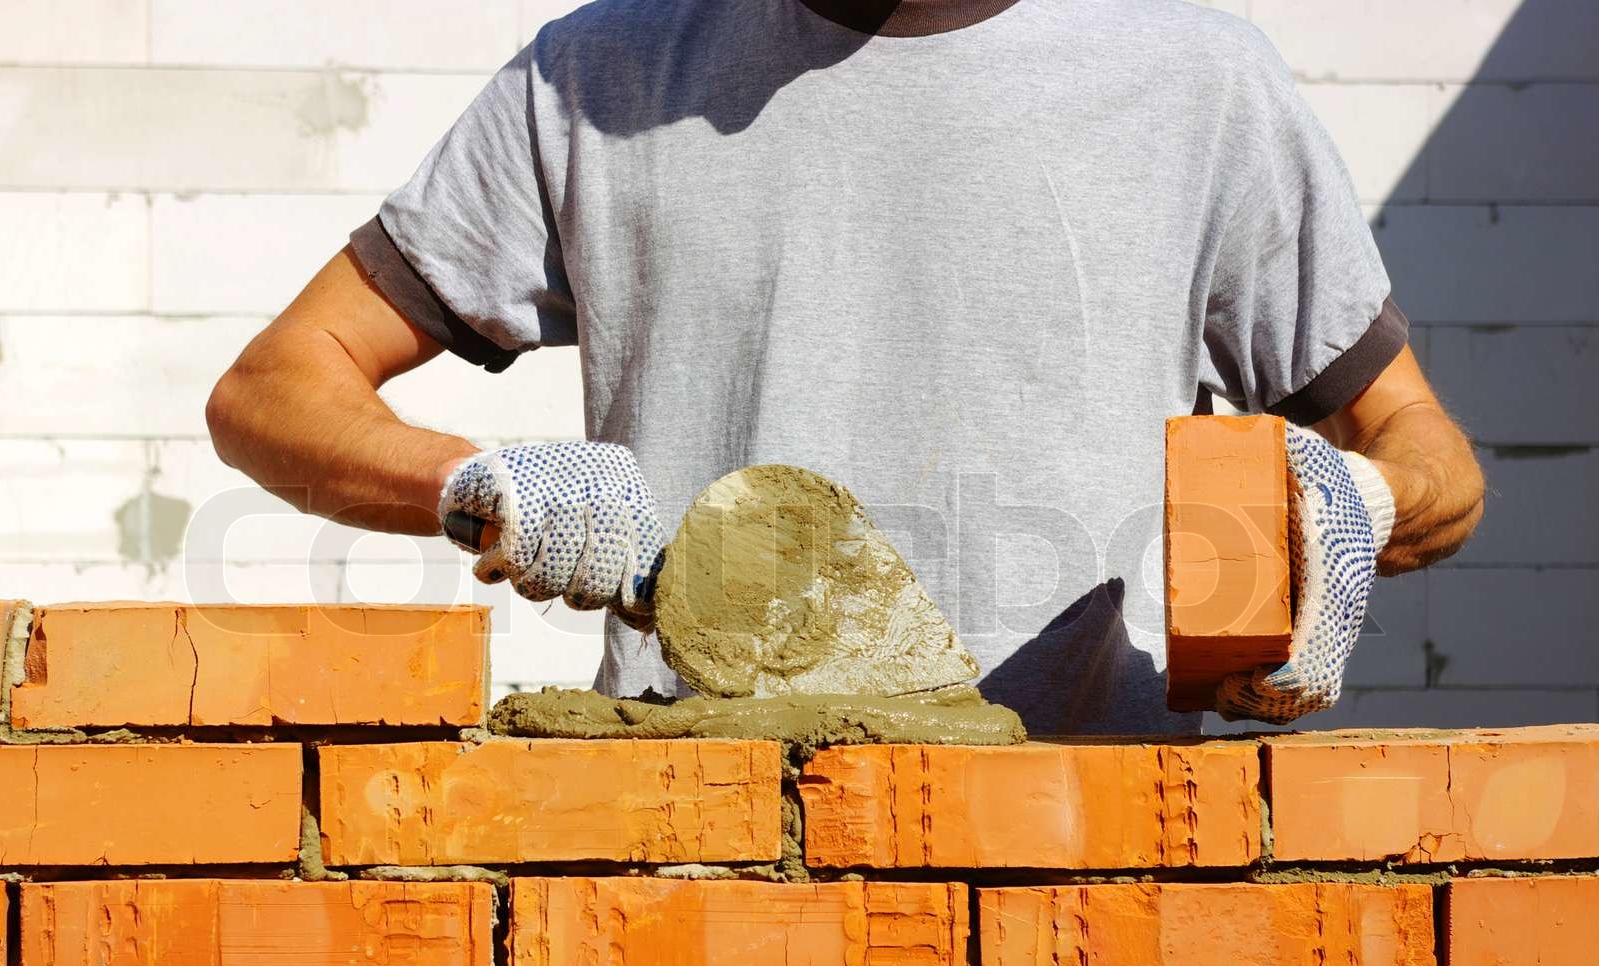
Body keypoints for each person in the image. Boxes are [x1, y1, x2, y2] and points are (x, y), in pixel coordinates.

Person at [207, 0, 1483, 735]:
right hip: (698, 857)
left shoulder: (1194, 82)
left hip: (1085, 874)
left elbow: (1427, 455)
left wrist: (1353, 510)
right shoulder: (599, 77)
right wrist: (489, 483)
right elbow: (275, 388)